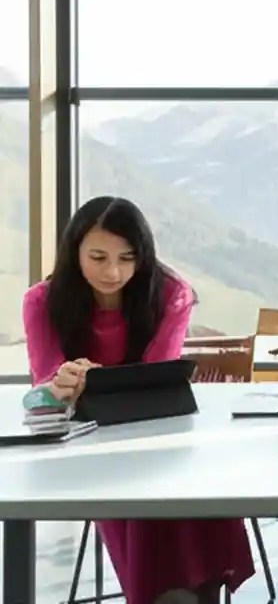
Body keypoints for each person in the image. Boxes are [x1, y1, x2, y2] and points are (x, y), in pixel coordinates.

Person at [22, 196, 254, 604]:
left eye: (127, 258)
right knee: (140, 506)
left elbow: (155, 380)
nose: (113, 272)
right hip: (96, 452)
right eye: (98, 257)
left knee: (186, 499)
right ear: (73, 250)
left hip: (170, 440)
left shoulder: (171, 293)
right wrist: (57, 386)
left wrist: (92, 384)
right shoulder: (42, 301)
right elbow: (40, 397)